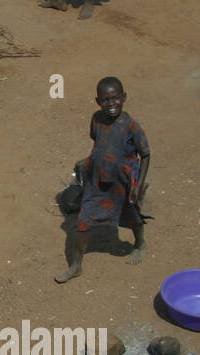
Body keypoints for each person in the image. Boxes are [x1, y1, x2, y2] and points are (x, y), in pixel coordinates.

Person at [55, 78, 151, 284]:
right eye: (105, 100)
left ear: (124, 98)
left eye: (115, 98)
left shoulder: (131, 126)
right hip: (98, 181)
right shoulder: (96, 119)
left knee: (132, 214)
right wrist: (89, 163)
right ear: (98, 101)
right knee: (83, 222)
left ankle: (139, 243)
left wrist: (139, 184)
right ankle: (76, 265)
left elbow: (145, 155)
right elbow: (98, 143)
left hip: (123, 182)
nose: (111, 103)